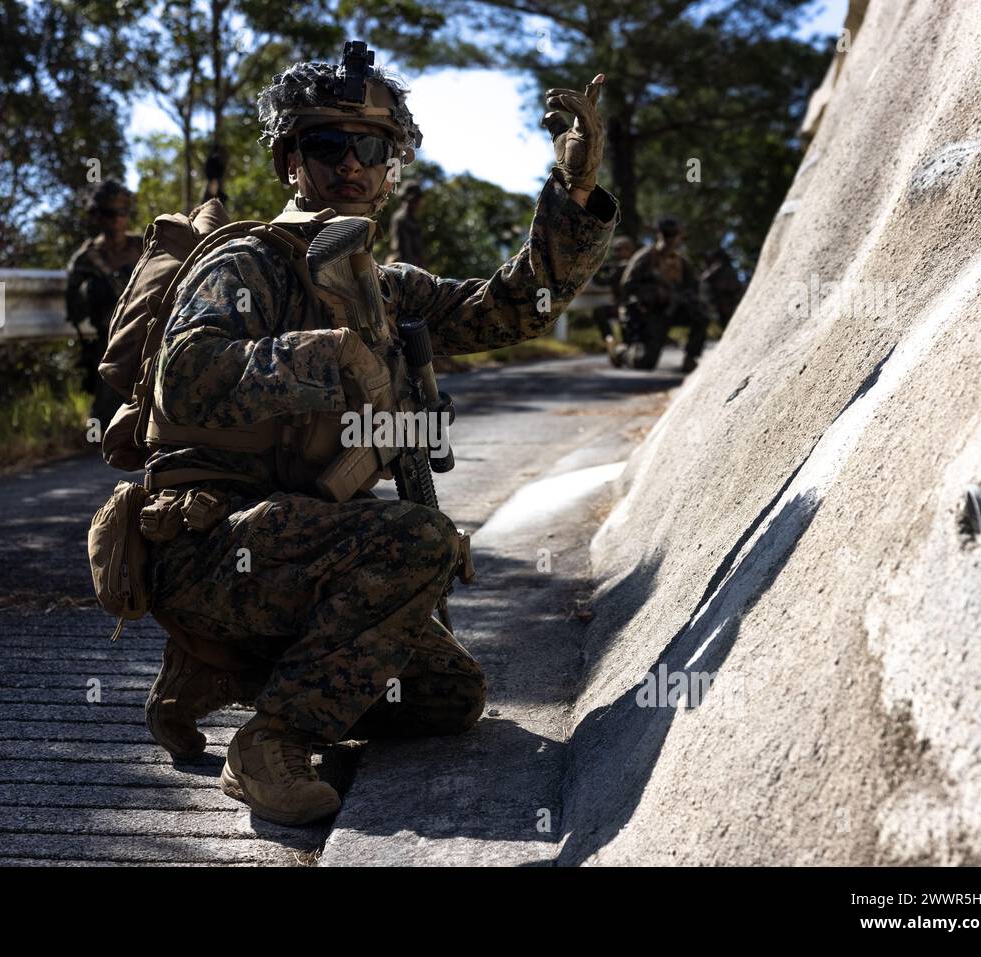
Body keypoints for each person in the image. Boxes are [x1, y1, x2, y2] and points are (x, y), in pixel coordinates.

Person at [141, 41, 617, 826]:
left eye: (372, 148)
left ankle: (223, 670)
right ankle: (267, 744)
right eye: (329, 146)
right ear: (292, 159)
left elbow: (509, 309)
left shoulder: (381, 285)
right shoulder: (249, 263)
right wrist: (328, 357)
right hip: (209, 548)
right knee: (419, 539)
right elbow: (186, 374)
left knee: (448, 695)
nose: (352, 165)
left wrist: (575, 190)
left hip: (303, 554)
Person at [66, 181, 144, 428]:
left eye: (123, 213)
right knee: (107, 395)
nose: (118, 220)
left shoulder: (143, 246)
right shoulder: (87, 258)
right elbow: (74, 305)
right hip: (109, 335)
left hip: (146, 328)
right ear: (98, 216)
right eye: (111, 214)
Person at [616, 217, 707, 373]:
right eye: (667, 235)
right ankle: (621, 353)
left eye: (674, 235)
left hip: (675, 309)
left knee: (701, 313)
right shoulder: (645, 257)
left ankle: (690, 357)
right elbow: (627, 285)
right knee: (644, 363)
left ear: (680, 237)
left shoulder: (682, 262)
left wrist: (684, 298)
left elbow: (693, 288)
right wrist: (651, 293)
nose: (670, 240)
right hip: (652, 313)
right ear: (659, 235)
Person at [591, 235, 636, 363]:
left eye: (620, 249)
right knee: (601, 312)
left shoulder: (624, 266)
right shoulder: (632, 264)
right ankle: (613, 343)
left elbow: (602, 281)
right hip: (625, 306)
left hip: (627, 307)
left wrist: (594, 269)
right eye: (616, 250)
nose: (617, 253)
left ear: (629, 250)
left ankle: (614, 343)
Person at [699, 248, 744, 331]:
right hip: (720, 298)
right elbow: (704, 279)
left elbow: (736, 283)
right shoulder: (714, 269)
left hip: (731, 296)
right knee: (725, 321)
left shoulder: (728, 269)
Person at [386, 181, 426, 267]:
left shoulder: (414, 220)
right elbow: (400, 248)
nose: (417, 202)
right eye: (415, 199)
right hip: (402, 266)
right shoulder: (400, 218)